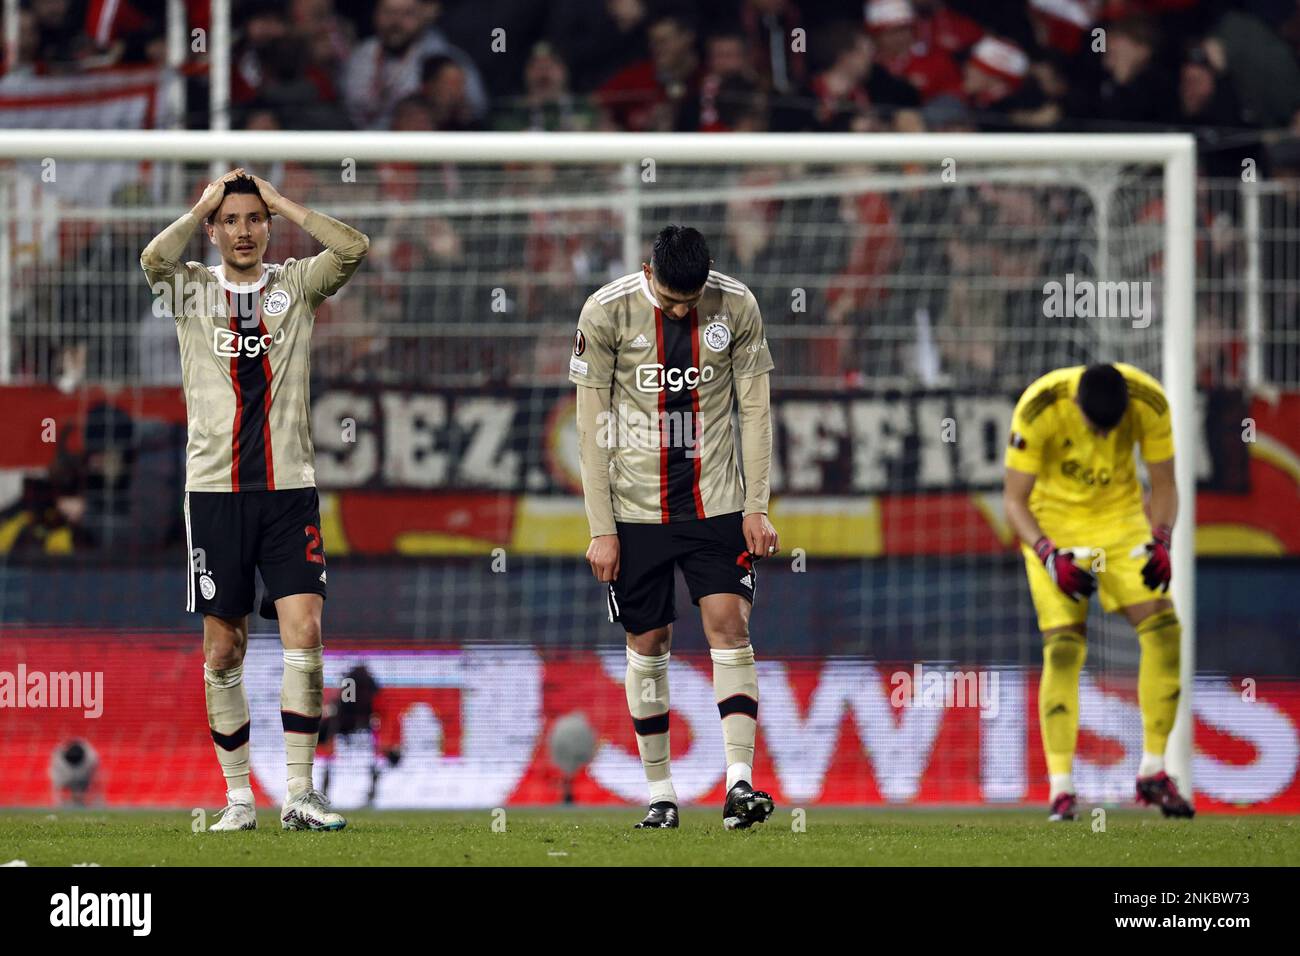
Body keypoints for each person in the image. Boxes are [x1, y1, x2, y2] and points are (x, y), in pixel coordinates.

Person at [139, 169, 369, 831]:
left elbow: (353, 247)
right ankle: (240, 799)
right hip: (214, 494)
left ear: (268, 226)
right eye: (230, 221)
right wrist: (203, 203)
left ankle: (299, 794)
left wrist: (281, 199)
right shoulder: (191, 290)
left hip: (289, 491)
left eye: (253, 220)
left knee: (306, 632)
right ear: (213, 230)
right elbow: (154, 257)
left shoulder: (295, 285)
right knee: (223, 651)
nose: (243, 231)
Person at [570, 225, 778, 830]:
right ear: (646, 270)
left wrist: (757, 506)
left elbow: (756, 408)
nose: (683, 310)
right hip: (635, 513)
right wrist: (600, 527)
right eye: (670, 299)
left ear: (709, 270)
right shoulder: (605, 311)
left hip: (715, 503)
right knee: (649, 644)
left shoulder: (736, 304)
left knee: (728, 624)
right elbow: (589, 427)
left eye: (692, 299)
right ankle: (661, 795)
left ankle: (739, 786)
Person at [1003, 363, 1194, 822]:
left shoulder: (1149, 402)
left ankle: (1153, 770)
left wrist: (1162, 538)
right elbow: (1013, 500)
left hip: (1120, 524)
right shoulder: (1039, 406)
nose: (1105, 437)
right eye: (1094, 427)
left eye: (1112, 430)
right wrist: (1049, 554)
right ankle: (1061, 788)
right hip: (1052, 527)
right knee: (1065, 648)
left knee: (1165, 630)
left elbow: (1165, 484)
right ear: (1074, 406)